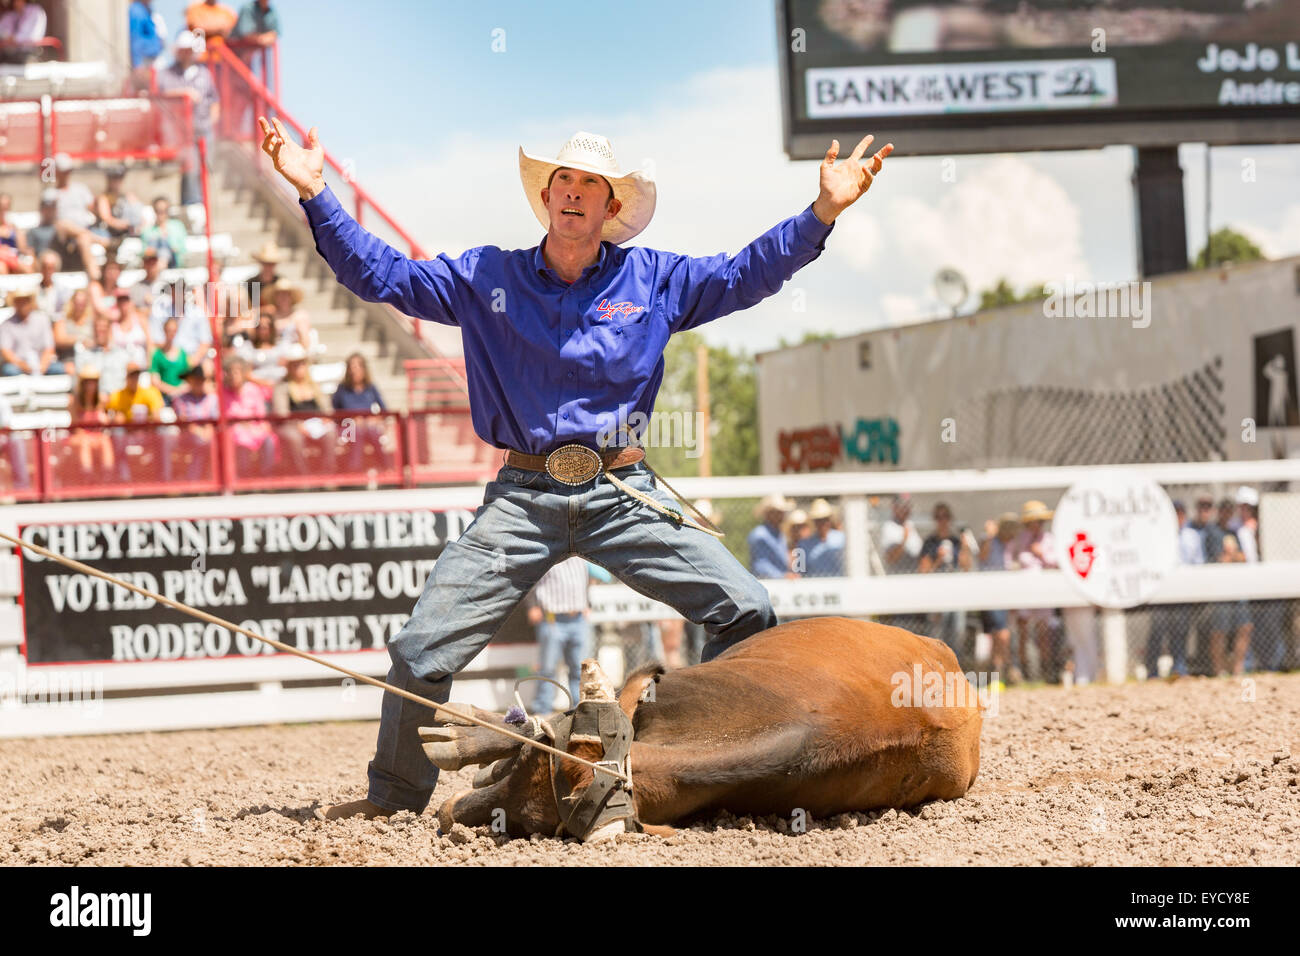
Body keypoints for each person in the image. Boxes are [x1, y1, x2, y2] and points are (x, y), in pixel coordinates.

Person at [254, 113, 893, 820]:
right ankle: (394, 801)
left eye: (592, 183)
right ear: (547, 194)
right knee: (420, 650)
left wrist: (821, 212)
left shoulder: (656, 279)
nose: (575, 192)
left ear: (611, 207)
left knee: (747, 610)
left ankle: (721, 768)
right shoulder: (484, 277)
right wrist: (317, 194)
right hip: (523, 495)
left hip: (621, 487)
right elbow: (383, 275)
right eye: (565, 179)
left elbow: (747, 273)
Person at [154, 31, 219, 212]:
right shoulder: (167, 73)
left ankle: (201, 205)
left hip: (203, 128)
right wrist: (184, 93)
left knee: (205, 167)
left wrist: (211, 123)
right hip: (181, 131)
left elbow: (214, 100)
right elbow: (161, 95)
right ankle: (192, 204)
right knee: (190, 167)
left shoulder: (204, 74)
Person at [526, 556, 599, 715]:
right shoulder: (547, 556)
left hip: (578, 618)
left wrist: (587, 603)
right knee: (548, 668)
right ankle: (543, 710)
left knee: (580, 669)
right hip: (552, 618)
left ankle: (580, 709)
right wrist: (532, 606)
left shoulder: (581, 557)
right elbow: (532, 580)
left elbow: (583, 580)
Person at [1146, 500, 1203, 679]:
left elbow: (1198, 562)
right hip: (1161, 590)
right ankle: (1152, 671)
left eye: (1180, 513)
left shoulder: (1192, 536)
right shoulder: (1158, 536)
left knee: (1180, 632)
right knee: (1158, 631)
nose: (1177, 517)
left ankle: (1179, 668)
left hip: (1183, 589)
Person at [1012, 499, 1060, 682]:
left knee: (1044, 633)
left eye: (1039, 521)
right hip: (1024, 591)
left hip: (1044, 590)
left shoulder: (1048, 539)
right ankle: (1025, 673)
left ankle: (1046, 671)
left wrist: (1040, 554)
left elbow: (1055, 562)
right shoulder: (1020, 539)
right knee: (1023, 631)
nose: (1037, 524)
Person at [271, 344, 334, 474]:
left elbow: (327, 409)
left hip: (317, 425)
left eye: (302, 364)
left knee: (331, 432)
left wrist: (325, 419)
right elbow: (282, 413)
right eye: (295, 364)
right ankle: (303, 474)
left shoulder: (314, 385)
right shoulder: (282, 386)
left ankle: (327, 473)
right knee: (294, 438)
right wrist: (298, 425)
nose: (299, 368)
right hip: (293, 426)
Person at [1206, 497, 1251, 676]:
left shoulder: (1234, 532)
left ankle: (1237, 668)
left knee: (1245, 627)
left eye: (1229, 510)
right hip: (1219, 589)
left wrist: (1232, 557)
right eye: (1224, 509)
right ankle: (1219, 669)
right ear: (1219, 511)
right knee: (1219, 631)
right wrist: (1229, 557)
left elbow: (1242, 557)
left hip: (1237, 587)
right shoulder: (1212, 532)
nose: (1227, 513)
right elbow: (1214, 560)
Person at [918, 501, 971, 653]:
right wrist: (938, 560)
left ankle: (955, 668)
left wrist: (965, 546)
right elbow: (923, 570)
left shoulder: (956, 542)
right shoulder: (929, 542)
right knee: (937, 633)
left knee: (957, 631)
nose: (943, 520)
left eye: (946, 517)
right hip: (935, 592)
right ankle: (936, 669)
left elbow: (966, 567)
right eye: (939, 517)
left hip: (956, 592)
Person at [978, 512, 1019, 682]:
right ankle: (1006, 668)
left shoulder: (1007, 545)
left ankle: (997, 671)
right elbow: (982, 557)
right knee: (1001, 633)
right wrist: (989, 535)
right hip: (989, 592)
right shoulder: (988, 541)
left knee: (998, 635)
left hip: (1004, 592)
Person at [331, 351, 389, 472]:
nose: (354, 370)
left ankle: (385, 467)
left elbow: (384, 410)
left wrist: (374, 419)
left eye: (357, 366)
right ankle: (355, 470)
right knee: (356, 431)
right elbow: (335, 414)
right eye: (351, 367)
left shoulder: (370, 388)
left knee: (372, 430)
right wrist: (351, 420)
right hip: (348, 427)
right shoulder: (342, 389)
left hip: (368, 425)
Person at [48, 155, 103, 282]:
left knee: (83, 239)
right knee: (63, 224)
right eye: (63, 171)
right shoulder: (50, 194)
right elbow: (50, 220)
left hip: (82, 233)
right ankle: (99, 240)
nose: (66, 174)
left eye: (68, 171)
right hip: (62, 236)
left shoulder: (80, 189)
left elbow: (93, 209)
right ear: (56, 171)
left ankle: (95, 277)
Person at [221, 355, 275, 476]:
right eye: (231, 372)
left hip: (254, 429)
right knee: (240, 439)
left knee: (269, 440)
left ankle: (267, 476)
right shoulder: (222, 393)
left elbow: (261, 416)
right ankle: (243, 477)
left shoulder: (253, 390)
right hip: (234, 431)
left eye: (237, 372)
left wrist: (259, 428)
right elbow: (225, 417)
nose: (234, 375)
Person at [880, 493, 926, 634]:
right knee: (903, 631)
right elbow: (891, 558)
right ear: (894, 508)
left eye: (907, 506)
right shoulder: (889, 527)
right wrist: (904, 540)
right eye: (902, 506)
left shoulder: (910, 525)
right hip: (898, 588)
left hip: (916, 587)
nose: (906, 509)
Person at [172, 362, 217, 481]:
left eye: (201, 380)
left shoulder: (211, 398)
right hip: (187, 435)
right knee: (200, 442)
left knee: (210, 442)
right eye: (196, 380)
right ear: (189, 381)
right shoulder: (181, 399)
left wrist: (207, 432)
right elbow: (184, 421)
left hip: (208, 435)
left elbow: (212, 422)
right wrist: (199, 432)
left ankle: (210, 476)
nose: (199, 383)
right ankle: (195, 479)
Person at [66, 369, 115, 480]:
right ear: (82, 384)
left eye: (93, 382)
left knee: (105, 440)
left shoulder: (102, 400)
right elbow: (76, 429)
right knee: (85, 441)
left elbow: (106, 424)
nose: (90, 385)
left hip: (96, 437)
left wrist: (105, 418)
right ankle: (87, 476)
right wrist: (90, 437)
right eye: (87, 382)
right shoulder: (74, 402)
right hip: (78, 438)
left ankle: (108, 476)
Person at [1, 288, 61, 375]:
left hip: (41, 362)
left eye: (25, 301)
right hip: (18, 365)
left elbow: (49, 347)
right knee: (10, 370)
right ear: (15, 303)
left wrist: (42, 365)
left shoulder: (42, 319)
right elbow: (5, 351)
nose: (23, 305)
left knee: (58, 368)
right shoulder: (6, 325)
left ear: (30, 302)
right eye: (19, 301)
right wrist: (21, 364)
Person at [74, 316, 130, 396]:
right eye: (98, 329)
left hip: (119, 400)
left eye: (103, 329)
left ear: (109, 330)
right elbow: (79, 383)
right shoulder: (85, 355)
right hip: (95, 401)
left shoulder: (121, 354)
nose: (100, 332)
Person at [748, 493, 794, 579]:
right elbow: (760, 565)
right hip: (766, 583)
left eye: (782, 512)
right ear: (768, 514)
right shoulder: (760, 535)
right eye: (777, 512)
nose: (782, 515)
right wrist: (782, 576)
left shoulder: (781, 534)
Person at [797, 497, 846, 577]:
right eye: (818, 520)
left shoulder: (842, 539)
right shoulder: (804, 544)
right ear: (814, 522)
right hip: (814, 586)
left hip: (840, 584)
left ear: (829, 520)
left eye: (825, 519)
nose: (822, 523)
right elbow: (799, 571)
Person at [149, 317, 193, 404]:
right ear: (164, 331)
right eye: (169, 330)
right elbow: (155, 381)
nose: (171, 334)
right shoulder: (157, 355)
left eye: (174, 331)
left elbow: (189, 377)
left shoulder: (182, 354)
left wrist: (181, 389)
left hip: (183, 397)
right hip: (164, 397)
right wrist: (173, 391)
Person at [95, 166, 145, 240]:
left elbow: (139, 213)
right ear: (109, 180)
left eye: (120, 178)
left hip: (127, 232)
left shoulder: (127, 196)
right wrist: (124, 224)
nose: (117, 181)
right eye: (114, 178)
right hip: (108, 233)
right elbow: (106, 218)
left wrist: (140, 224)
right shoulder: (104, 198)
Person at [53, 288, 96, 368]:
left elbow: (97, 341)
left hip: (89, 361)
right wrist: (81, 339)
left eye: (82, 303)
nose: (80, 306)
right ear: (72, 302)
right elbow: (59, 340)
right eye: (77, 302)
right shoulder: (63, 320)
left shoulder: (92, 321)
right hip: (66, 361)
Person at [140, 197, 188, 268]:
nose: (161, 213)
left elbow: (182, 248)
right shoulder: (147, 230)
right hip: (154, 261)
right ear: (154, 211)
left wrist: (170, 247)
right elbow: (144, 251)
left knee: (164, 248)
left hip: (173, 261)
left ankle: (159, 267)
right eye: (158, 210)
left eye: (164, 210)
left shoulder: (177, 226)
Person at [0, 0, 46, 64]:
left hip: (28, 51)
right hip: (12, 50)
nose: (15, 3)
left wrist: (12, 39)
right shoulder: (13, 14)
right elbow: (3, 29)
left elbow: (27, 36)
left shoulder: (33, 11)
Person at [0, 192, 33, 274]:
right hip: (3, 259)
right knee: (2, 268)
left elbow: (23, 248)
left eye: (6, 206)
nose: (4, 209)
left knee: (30, 267)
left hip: (13, 257)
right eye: (1, 206)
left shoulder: (13, 226)